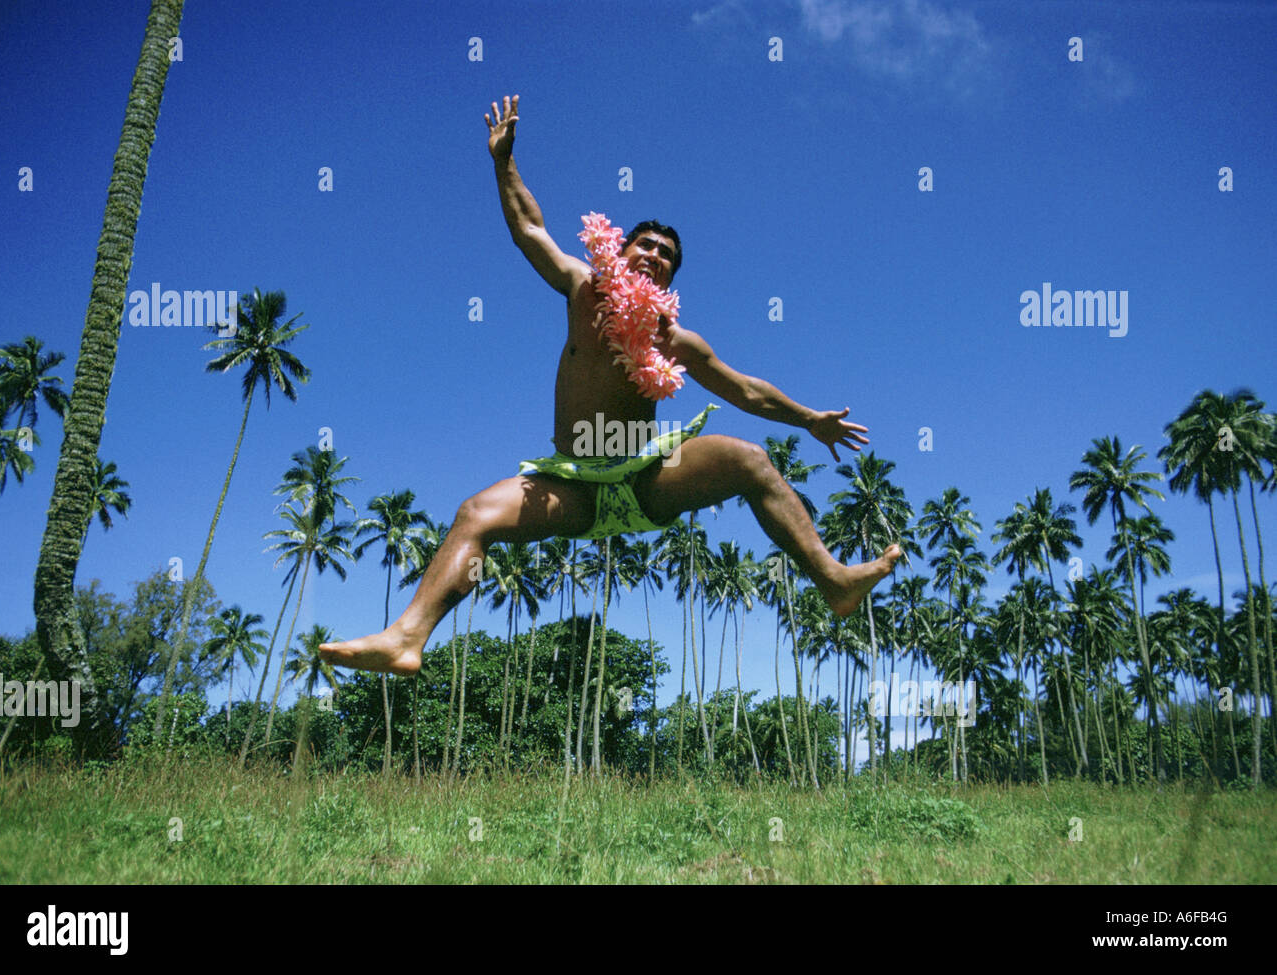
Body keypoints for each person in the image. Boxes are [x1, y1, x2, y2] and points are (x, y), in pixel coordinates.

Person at [319, 94, 900, 676]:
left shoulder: (678, 341)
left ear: (672, 275)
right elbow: (529, 229)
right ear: (619, 251)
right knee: (475, 514)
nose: (655, 255)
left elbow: (746, 391)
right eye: (645, 245)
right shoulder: (581, 289)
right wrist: (503, 162)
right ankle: (406, 638)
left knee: (748, 459)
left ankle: (833, 579)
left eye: (667, 255)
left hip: (648, 477)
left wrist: (810, 419)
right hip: (570, 484)